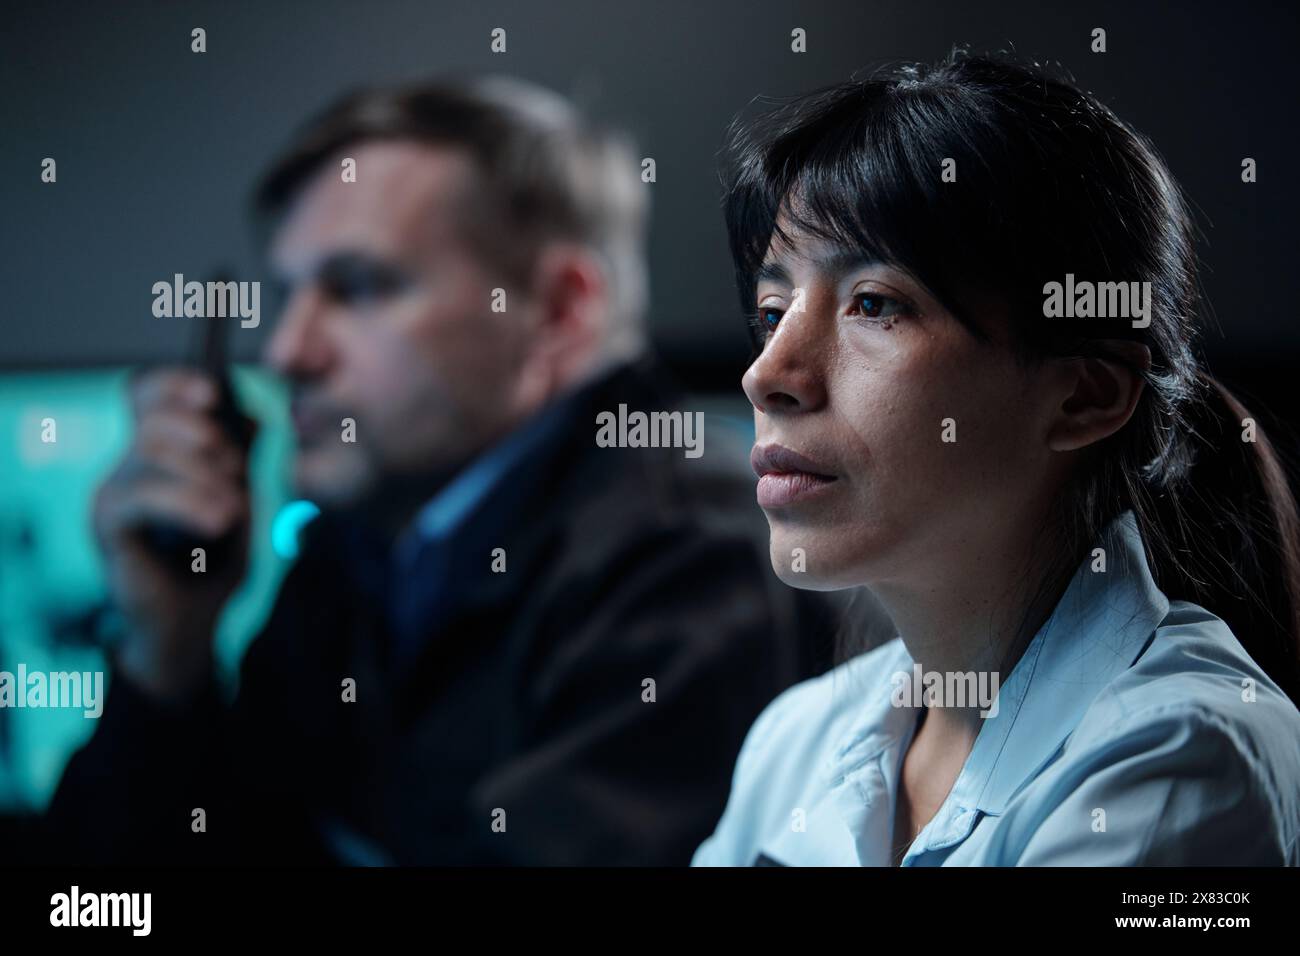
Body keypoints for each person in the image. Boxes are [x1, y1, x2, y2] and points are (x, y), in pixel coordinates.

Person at [37, 76, 838, 865]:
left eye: (355, 288)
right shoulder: (366, 540)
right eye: (288, 296)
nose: (284, 352)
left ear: (558, 311)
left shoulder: (689, 562)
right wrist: (166, 650)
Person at [692, 52, 1300, 866]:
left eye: (875, 304)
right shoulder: (795, 740)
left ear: (1083, 397)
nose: (767, 373)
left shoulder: (1180, 757)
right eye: (773, 310)